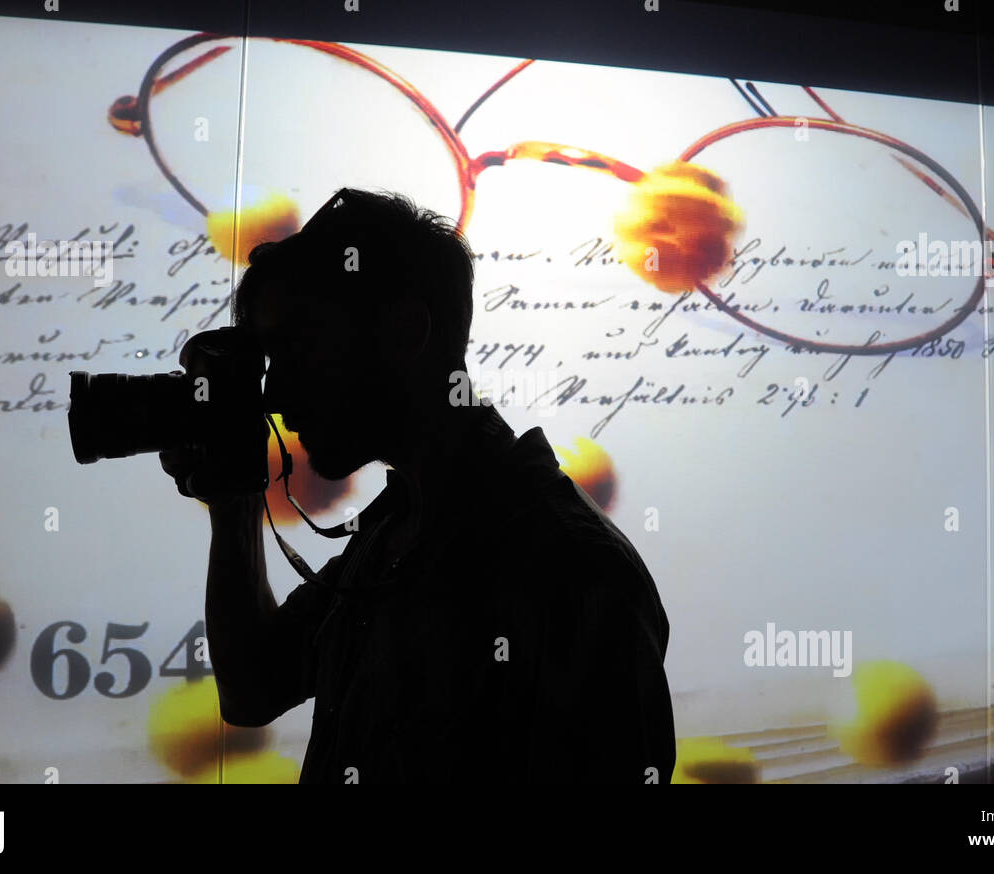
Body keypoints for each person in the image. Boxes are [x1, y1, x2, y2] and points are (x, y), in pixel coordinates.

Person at [160, 188, 674, 783]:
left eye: (299, 349)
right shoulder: (397, 532)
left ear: (406, 331)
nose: (275, 395)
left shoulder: (574, 569)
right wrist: (234, 492)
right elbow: (254, 686)